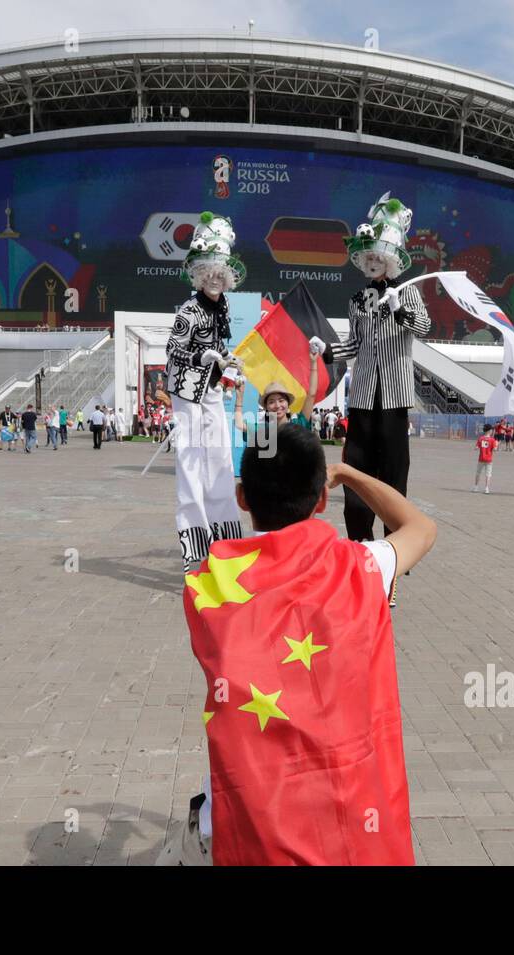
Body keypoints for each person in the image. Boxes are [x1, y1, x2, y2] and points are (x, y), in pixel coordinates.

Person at [163, 425, 437, 866]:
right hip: (347, 820)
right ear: (322, 500)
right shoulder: (362, 566)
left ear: (242, 498)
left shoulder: (208, 586)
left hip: (245, 825)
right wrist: (349, 473)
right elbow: (420, 528)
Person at [314, 192, 430, 555]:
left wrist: (400, 311)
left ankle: (397, 550)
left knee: (394, 475)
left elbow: (424, 327)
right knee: (357, 471)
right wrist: (328, 350)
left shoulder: (407, 293)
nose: (373, 262)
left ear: (392, 260)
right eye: (368, 258)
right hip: (363, 398)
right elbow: (356, 345)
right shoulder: (356, 300)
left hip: (395, 399)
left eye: (379, 257)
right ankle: (360, 547)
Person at [165, 212, 246, 572]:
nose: (214, 280)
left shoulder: (221, 307)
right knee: (190, 462)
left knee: (221, 461)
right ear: (199, 275)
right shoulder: (189, 309)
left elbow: (216, 348)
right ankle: (196, 550)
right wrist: (203, 355)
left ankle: (226, 543)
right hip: (185, 392)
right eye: (209, 273)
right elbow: (172, 349)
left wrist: (228, 361)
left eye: (220, 274)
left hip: (211, 390)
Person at [473, 422, 497, 493]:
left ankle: (476, 487)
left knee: (478, 473)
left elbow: (476, 448)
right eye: (492, 430)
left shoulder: (481, 438)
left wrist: (477, 447)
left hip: (481, 458)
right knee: (488, 474)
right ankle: (486, 488)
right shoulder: (492, 440)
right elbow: (494, 450)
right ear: (489, 430)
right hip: (489, 459)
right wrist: (496, 446)